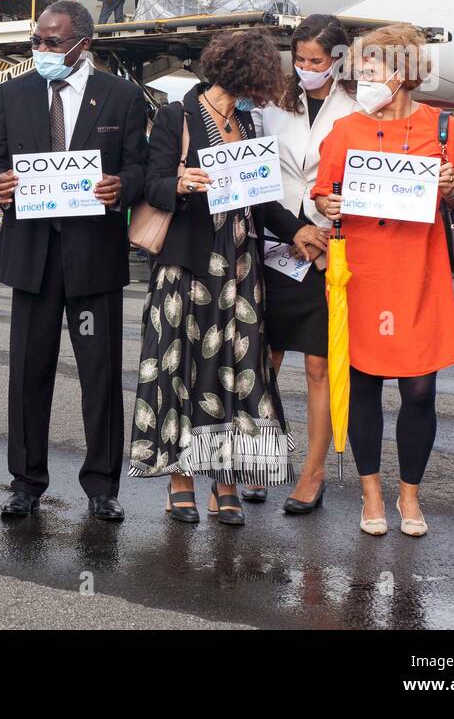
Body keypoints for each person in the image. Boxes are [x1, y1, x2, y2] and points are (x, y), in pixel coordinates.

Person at [131, 29, 325, 526]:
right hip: (186, 265)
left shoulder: (247, 121)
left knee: (239, 374)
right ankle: (180, 480)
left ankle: (226, 482)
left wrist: (297, 229)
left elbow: (261, 198)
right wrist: (180, 182)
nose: (264, 90)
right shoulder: (177, 116)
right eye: (262, 79)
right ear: (246, 75)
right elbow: (152, 184)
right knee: (181, 371)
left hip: (240, 266)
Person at [0, 0, 148, 521]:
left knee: (99, 374)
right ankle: (25, 482)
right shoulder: (12, 94)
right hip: (31, 256)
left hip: (92, 258)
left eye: (52, 42)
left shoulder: (122, 97)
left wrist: (122, 186)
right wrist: (0, 185)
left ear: (83, 44)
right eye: (36, 41)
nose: (41, 50)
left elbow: (141, 167)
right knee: (29, 373)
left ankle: (102, 486)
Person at [313, 23, 454, 537]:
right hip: (361, 270)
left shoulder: (444, 128)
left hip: (420, 274)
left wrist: (453, 187)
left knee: (420, 389)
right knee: (363, 383)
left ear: (403, 74)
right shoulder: (346, 131)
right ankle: (369, 494)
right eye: (357, 72)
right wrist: (326, 202)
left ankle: (410, 496)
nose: (362, 81)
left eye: (370, 71)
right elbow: (321, 194)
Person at [247, 14, 359, 512]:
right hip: (273, 240)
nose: (307, 67)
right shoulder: (272, 103)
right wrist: (291, 229)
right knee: (263, 359)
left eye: (317, 60)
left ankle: (312, 475)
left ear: (337, 59)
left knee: (319, 366)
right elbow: (258, 168)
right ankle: (259, 459)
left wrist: (318, 230)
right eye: (301, 59)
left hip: (326, 248)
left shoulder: (357, 106)